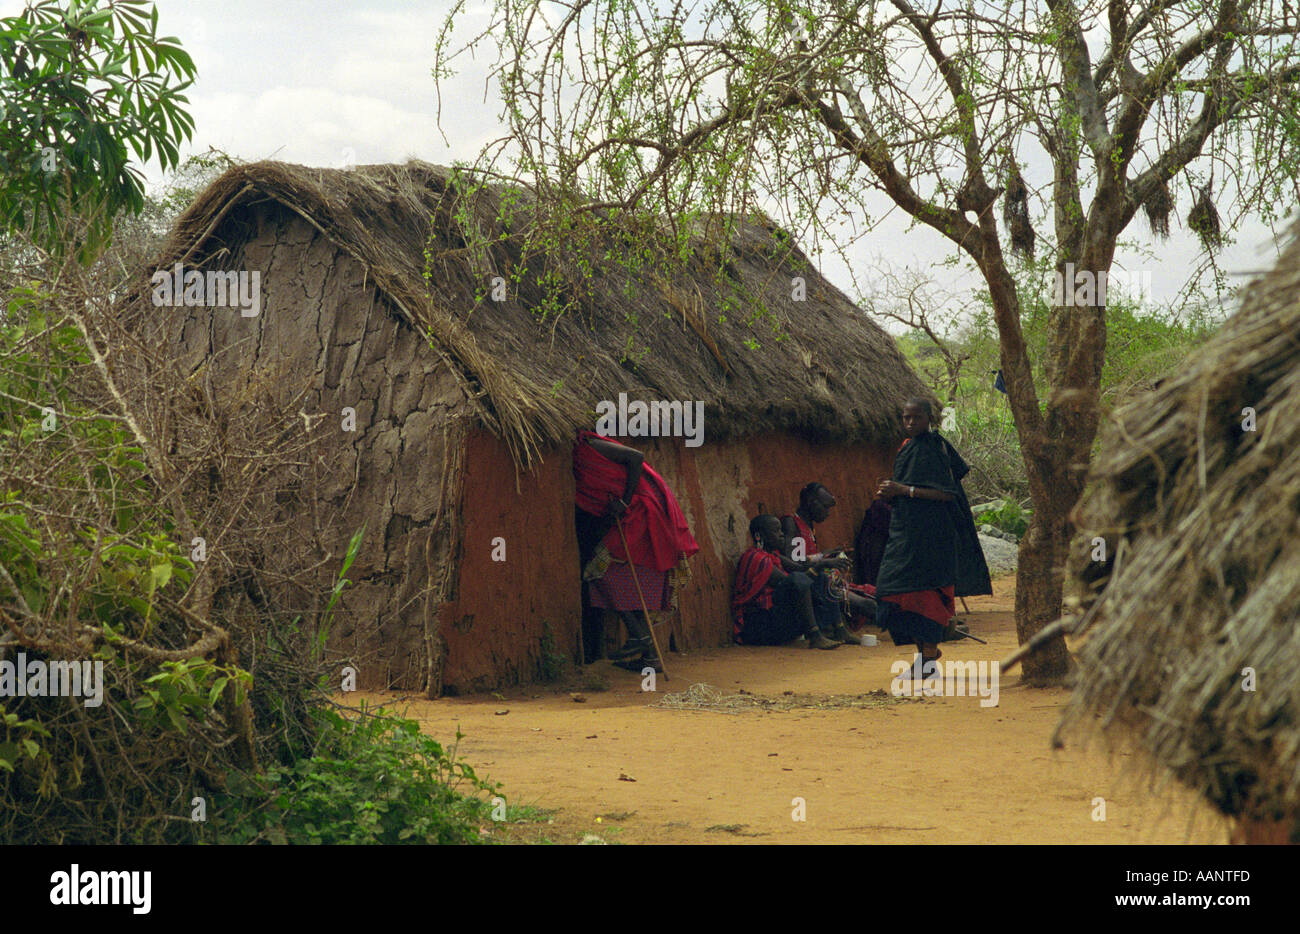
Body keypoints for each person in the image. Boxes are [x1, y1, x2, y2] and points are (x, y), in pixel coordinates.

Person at [573, 428, 699, 673]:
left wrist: (624, 501)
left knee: (599, 573)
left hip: (642, 512)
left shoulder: (590, 445)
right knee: (634, 578)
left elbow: (636, 457)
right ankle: (650, 657)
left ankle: (639, 637)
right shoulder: (578, 455)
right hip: (639, 514)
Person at [872, 398, 964, 678]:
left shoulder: (935, 449)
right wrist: (890, 494)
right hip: (905, 534)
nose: (910, 423)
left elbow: (948, 494)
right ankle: (928, 654)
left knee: (927, 595)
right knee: (890, 592)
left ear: (929, 419)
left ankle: (927, 661)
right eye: (906, 418)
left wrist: (905, 490)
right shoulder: (906, 447)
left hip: (931, 536)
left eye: (916, 418)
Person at [781, 483, 875, 644]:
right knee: (866, 603)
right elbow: (794, 560)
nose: (828, 513)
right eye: (825, 507)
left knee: (871, 596)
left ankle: (841, 630)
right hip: (808, 581)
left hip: (819, 578)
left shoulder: (808, 526)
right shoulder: (793, 523)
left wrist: (828, 555)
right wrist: (824, 558)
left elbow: (806, 557)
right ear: (811, 502)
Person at [733, 515, 840, 650]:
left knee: (822, 578)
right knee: (799, 579)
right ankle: (815, 635)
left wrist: (824, 561)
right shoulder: (757, 558)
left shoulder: (774, 555)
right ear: (759, 536)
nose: (782, 534)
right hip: (759, 628)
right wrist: (820, 565)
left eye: (781, 530)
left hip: (775, 621)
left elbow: (801, 568)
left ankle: (839, 629)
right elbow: (794, 582)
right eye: (776, 531)